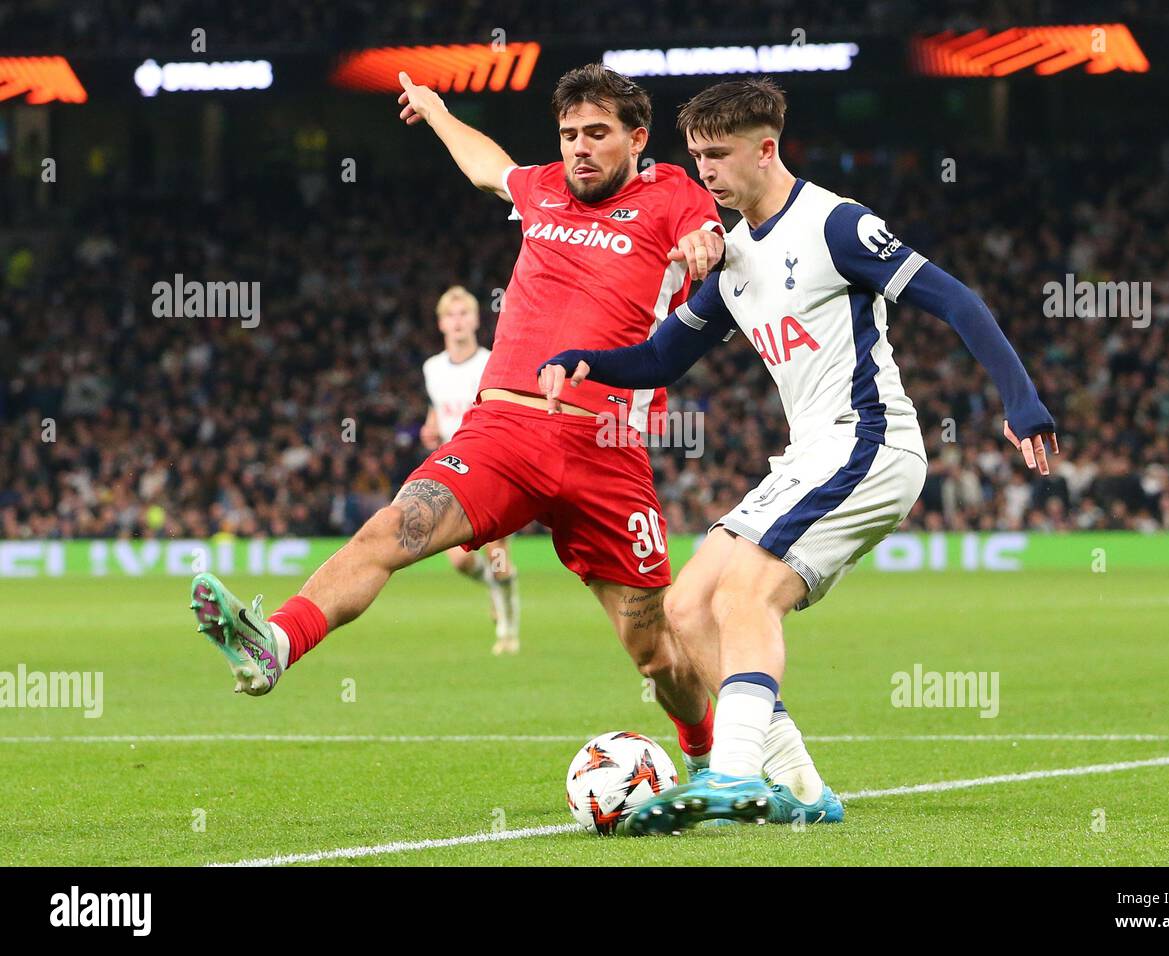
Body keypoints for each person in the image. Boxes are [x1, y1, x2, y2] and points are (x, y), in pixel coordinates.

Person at [186, 64, 817, 789]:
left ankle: (706, 758)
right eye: (569, 133)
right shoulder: (542, 187)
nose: (580, 147)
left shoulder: (671, 192)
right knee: (391, 530)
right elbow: (491, 166)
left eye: (598, 134)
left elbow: (706, 231)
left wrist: (706, 244)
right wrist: (437, 110)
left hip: (605, 449)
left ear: (638, 138)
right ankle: (273, 645)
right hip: (503, 433)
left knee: (655, 651)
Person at [539, 78, 1058, 833]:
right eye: (696, 157)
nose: (705, 172)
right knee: (686, 607)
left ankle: (733, 773)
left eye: (717, 155)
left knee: (744, 595)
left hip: (869, 440)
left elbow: (956, 300)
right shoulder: (736, 256)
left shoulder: (836, 225)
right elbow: (659, 358)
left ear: (766, 149)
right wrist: (582, 359)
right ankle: (805, 793)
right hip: (810, 453)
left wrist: (1021, 400)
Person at [420, 285, 520, 654]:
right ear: (441, 323)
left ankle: (508, 632)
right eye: (451, 315)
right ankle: (498, 593)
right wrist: (430, 427)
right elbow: (438, 408)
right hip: (452, 469)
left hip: (493, 467)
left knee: (497, 558)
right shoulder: (432, 368)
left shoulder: (490, 363)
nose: (458, 321)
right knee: (460, 559)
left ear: (476, 320)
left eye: (464, 314)